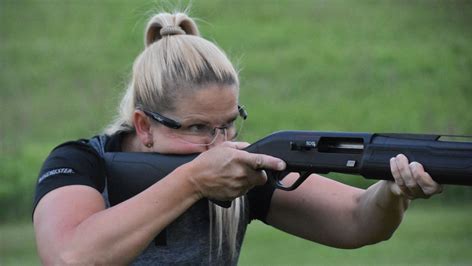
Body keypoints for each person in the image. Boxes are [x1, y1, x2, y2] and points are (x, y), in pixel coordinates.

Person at [33, 11, 442, 265]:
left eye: (229, 123)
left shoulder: (240, 175)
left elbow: (356, 221)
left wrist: (392, 191)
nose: (220, 144)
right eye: (197, 128)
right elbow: (71, 257)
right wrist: (192, 182)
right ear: (143, 126)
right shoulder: (82, 163)